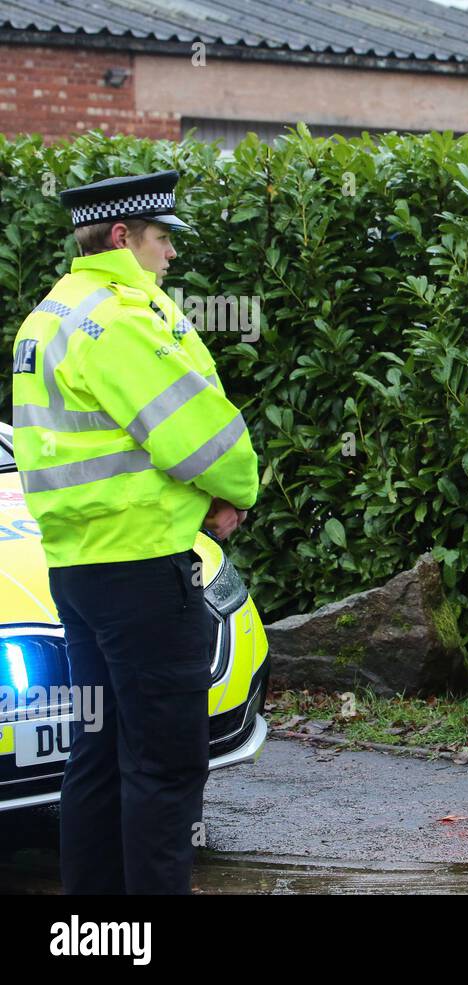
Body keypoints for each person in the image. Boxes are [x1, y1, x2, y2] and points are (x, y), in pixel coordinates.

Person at [11, 170, 259, 893]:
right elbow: (196, 434)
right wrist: (233, 493)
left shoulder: (47, 317)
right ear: (123, 237)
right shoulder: (119, 318)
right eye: (162, 239)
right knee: (164, 766)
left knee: (98, 753)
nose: (170, 256)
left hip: (77, 570)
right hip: (144, 572)